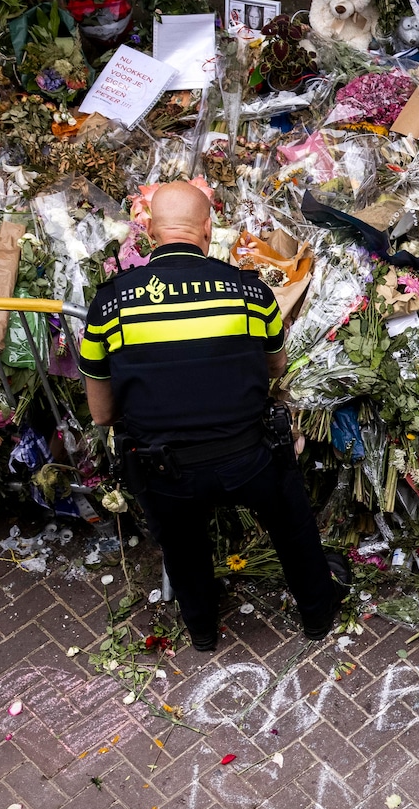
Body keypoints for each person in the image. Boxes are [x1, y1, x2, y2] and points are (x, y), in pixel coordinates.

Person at [80, 181, 343, 651]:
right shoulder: (248, 291)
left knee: (183, 550)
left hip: (166, 468)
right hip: (251, 455)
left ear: (148, 231)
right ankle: (318, 616)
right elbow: (274, 367)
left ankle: (202, 633)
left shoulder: (110, 303)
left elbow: (101, 414)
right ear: (207, 228)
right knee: (293, 528)